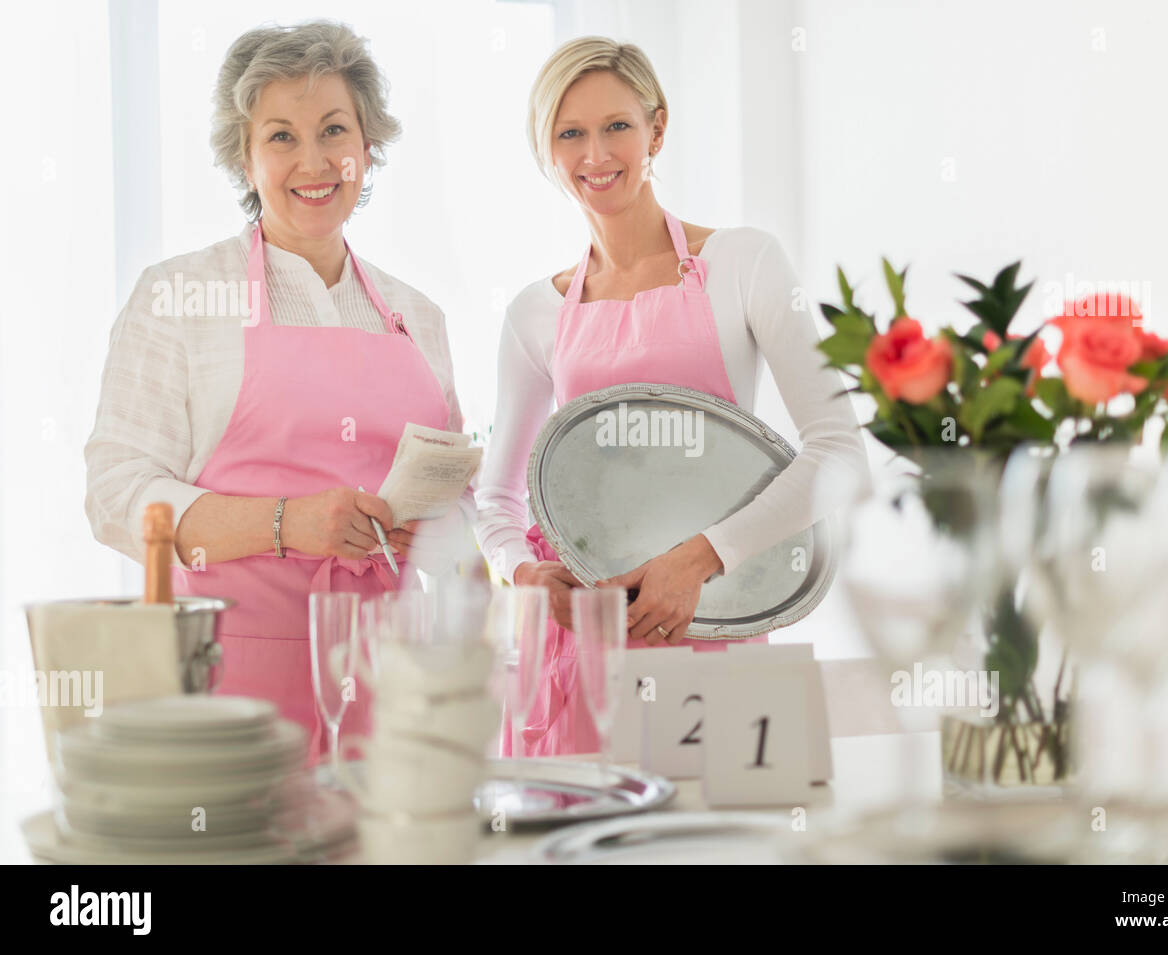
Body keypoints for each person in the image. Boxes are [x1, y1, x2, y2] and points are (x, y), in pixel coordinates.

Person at [84, 21, 474, 760]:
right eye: (281, 136)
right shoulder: (181, 295)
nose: (315, 161)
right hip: (233, 697)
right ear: (245, 155)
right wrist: (286, 522)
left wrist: (436, 532)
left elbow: (456, 521)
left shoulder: (419, 317)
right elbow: (115, 494)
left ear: (368, 145)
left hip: (397, 698)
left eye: (334, 130)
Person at [475, 36, 869, 756]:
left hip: (722, 619)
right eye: (571, 134)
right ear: (548, 152)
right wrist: (527, 574)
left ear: (657, 129)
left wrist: (699, 559)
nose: (596, 154)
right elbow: (494, 500)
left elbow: (842, 453)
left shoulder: (744, 262)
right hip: (581, 644)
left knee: (722, 841)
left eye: (617, 126)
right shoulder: (535, 312)